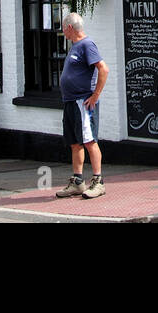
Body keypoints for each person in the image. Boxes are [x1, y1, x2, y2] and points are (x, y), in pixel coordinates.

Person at [56, 12, 108, 199]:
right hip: (70, 101)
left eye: (63, 28)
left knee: (88, 140)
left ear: (70, 28)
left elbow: (103, 69)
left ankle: (98, 181)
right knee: (74, 142)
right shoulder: (75, 46)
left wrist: (95, 96)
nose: (63, 32)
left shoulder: (87, 44)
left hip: (82, 102)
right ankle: (78, 182)